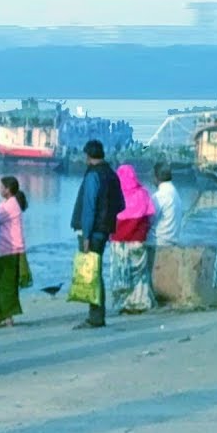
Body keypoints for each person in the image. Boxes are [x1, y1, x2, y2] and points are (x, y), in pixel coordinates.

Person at [71, 140, 124, 329]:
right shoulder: (112, 174)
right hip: (103, 230)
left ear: (88, 155)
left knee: (91, 273)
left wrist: (86, 235)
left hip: (92, 232)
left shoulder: (94, 175)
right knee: (96, 270)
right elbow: (120, 205)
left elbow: (89, 207)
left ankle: (95, 316)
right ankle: (96, 314)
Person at [110, 164, 157, 314]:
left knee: (121, 272)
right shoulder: (143, 193)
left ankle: (123, 302)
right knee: (139, 274)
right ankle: (140, 301)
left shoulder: (114, 194)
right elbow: (150, 216)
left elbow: (109, 217)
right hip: (138, 240)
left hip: (118, 241)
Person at [0, 177, 29, 327]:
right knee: (3, 282)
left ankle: (6, 315)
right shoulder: (9, 204)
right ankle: (1, 315)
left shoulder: (9, 206)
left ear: (7, 189)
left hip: (6, 248)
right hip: (6, 247)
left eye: (1, 187)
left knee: (4, 282)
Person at [151, 162, 184, 246]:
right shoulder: (174, 192)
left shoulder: (160, 196)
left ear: (156, 177)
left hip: (160, 241)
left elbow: (149, 220)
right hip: (173, 239)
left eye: (152, 176)